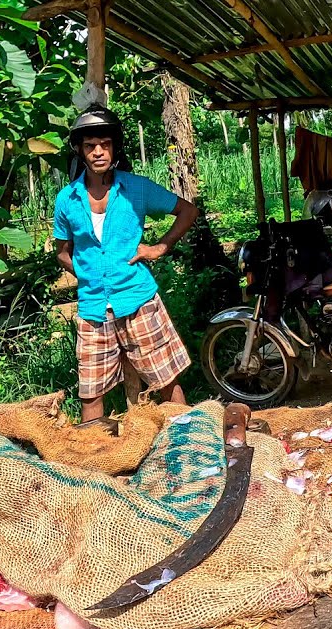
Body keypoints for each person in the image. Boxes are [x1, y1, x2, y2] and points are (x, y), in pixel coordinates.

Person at [53, 104, 200, 422]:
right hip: (93, 309)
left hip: (138, 299)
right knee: (91, 391)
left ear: (114, 147)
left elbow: (188, 211)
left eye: (104, 144)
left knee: (165, 379)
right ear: (80, 150)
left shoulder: (137, 188)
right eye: (90, 146)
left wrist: (160, 247)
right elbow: (63, 251)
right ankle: (98, 459)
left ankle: (188, 439)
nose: (98, 152)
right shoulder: (67, 199)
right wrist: (88, 274)